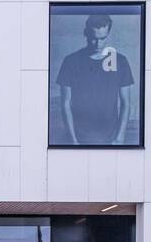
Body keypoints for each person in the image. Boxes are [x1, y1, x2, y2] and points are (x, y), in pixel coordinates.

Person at [56, 13, 135, 146]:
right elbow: (65, 103)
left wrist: (119, 138)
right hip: (78, 137)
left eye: (103, 38)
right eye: (94, 38)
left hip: (111, 138)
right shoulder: (70, 61)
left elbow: (126, 103)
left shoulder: (121, 61)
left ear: (108, 34)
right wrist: (73, 140)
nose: (98, 44)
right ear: (86, 33)